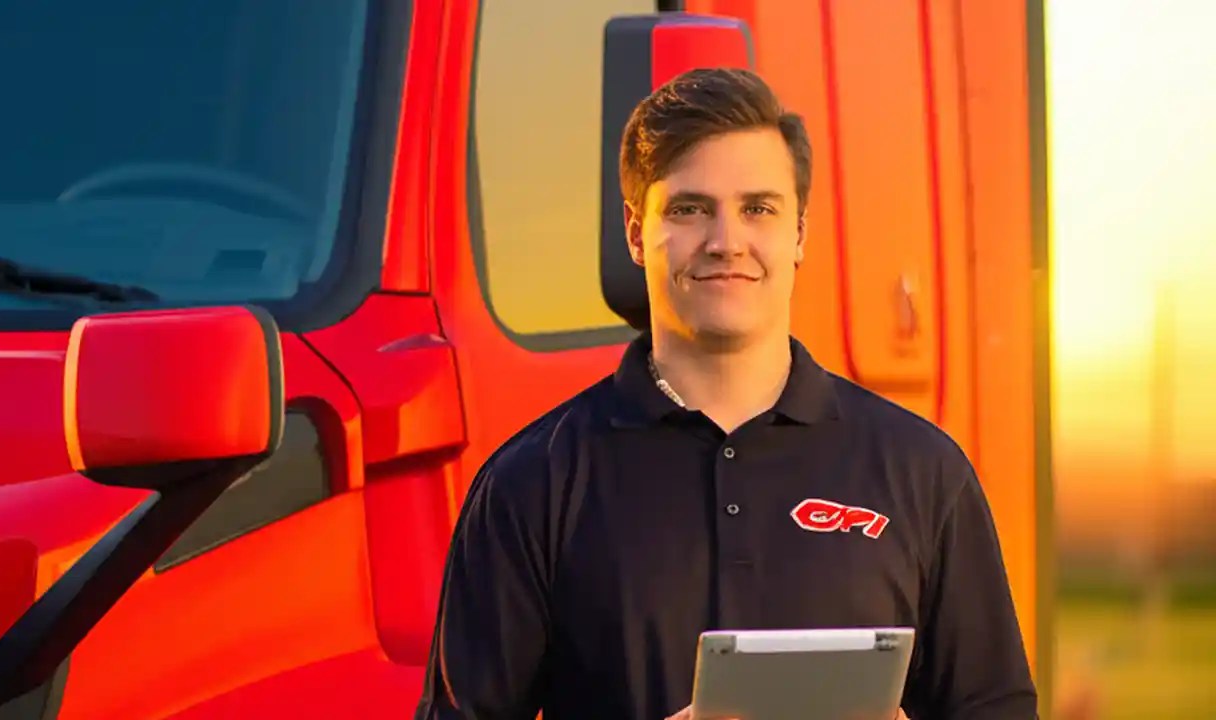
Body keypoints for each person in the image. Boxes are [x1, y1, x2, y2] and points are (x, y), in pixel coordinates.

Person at [414, 67, 1038, 720]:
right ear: (634, 232)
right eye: (690, 209)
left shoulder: (924, 473)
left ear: (798, 233)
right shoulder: (532, 486)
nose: (725, 241)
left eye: (758, 209)